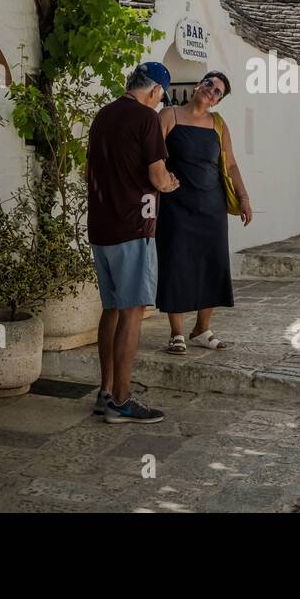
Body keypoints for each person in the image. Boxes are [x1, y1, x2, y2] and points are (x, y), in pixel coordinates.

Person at [86, 62, 179, 424]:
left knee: (111, 309)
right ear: (155, 90)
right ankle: (122, 402)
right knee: (132, 311)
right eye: (161, 97)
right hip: (133, 227)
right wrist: (170, 183)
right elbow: (157, 176)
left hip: (102, 227)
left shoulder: (102, 116)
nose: (160, 103)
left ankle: (105, 391)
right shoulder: (146, 120)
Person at [156, 71, 252, 354]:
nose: (211, 91)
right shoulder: (169, 115)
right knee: (176, 264)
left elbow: (231, 165)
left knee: (212, 265)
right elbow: (155, 157)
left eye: (218, 91)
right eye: (209, 84)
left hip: (212, 206)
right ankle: (177, 333)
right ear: (198, 84)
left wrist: (244, 197)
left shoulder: (218, 124)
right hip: (175, 206)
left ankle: (202, 329)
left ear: (218, 101)